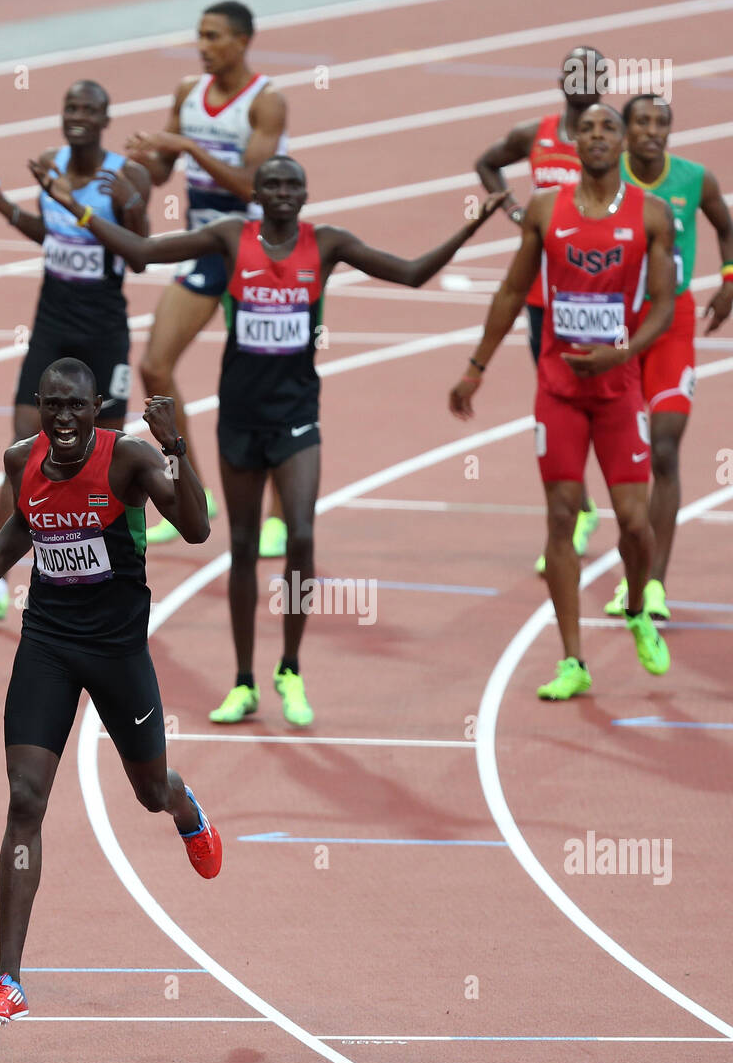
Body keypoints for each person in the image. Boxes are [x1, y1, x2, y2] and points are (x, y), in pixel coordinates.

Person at [34, 153, 506, 725]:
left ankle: (289, 667)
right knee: (243, 548)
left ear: (304, 196)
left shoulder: (326, 244)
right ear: (257, 193)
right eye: (272, 184)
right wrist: (71, 204)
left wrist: (474, 224)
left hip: (297, 416)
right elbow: (140, 253)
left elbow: (411, 272)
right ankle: (243, 681)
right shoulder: (232, 237)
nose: (282, 191)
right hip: (239, 417)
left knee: (302, 535)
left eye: (292, 184)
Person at [0, 359, 221, 1030]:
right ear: (39, 407)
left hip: (117, 654)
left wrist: (176, 447)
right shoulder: (23, 459)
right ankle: (8, 979)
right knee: (24, 798)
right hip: (47, 644)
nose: (63, 419)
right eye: (52, 406)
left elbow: (196, 529)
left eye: (76, 406)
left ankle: (183, 805)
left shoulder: (126, 459)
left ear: (96, 407)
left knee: (148, 790)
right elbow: (23, 523)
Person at [450, 104, 676, 700]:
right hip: (559, 391)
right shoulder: (548, 211)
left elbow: (663, 306)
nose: (597, 136)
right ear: (574, 142)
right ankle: (573, 659)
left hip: (618, 392)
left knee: (634, 522)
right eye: (589, 129)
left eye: (610, 129)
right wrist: (476, 368)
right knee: (560, 515)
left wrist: (620, 353)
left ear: (624, 143)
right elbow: (510, 290)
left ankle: (635, 609)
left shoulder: (650, 215)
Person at [0, 80, 151, 618]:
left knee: (110, 453)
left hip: (103, 329)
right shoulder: (50, 163)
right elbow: (47, 234)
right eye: (71, 106)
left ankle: (121, 567)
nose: (79, 115)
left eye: (90, 108)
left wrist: (129, 205)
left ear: (106, 117)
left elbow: (139, 256)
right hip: (51, 323)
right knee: (24, 444)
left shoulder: (127, 175)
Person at [124, 0, 290, 556]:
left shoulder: (266, 103)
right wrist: (142, 160)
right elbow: (165, 170)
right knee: (154, 365)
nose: (204, 45)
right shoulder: (186, 94)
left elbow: (252, 186)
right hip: (203, 250)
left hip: (256, 253)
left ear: (243, 41)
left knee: (268, 388)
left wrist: (191, 146)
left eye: (215, 36)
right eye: (200, 35)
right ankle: (191, 489)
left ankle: (278, 516)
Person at [603, 93, 733, 620]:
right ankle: (630, 573)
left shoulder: (694, 179)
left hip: (671, 323)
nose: (652, 131)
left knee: (663, 450)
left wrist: (730, 278)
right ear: (624, 131)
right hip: (616, 321)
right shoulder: (604, 176)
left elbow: (726, 226)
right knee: (626, 458)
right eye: (641, 122)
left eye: (661, 123)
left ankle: (653, 584)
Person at [476, 45, 609, 571]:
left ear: (603, 81)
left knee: (605, 402)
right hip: (543, 296)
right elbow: (486, 163)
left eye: (591, 72)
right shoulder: (536, 134)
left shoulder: (611, 140)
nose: (580, 80)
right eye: (572, 71)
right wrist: (511, 209)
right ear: (561, 80)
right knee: (558, 404)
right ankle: (577, 510)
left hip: (602, 298)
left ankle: (599, 504)